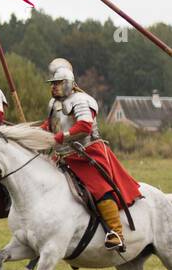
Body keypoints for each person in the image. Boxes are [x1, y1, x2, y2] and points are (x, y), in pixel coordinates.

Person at [42, 58, 141, 252]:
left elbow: (85, 127)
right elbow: (50, 126)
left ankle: (116, 234)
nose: (54, 87)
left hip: (87, 153)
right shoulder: (53, 103)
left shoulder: (81, 100)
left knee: (98, 188)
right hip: (64, 155)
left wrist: (62, 137)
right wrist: (34, 134)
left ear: (69, 83)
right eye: (52, 84)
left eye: (58, 83)